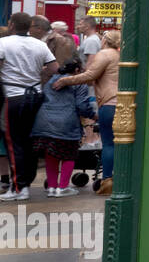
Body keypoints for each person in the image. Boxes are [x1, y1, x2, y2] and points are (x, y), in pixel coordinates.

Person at [0, 13, 58, 202]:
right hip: (35, 96)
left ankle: (18, 188)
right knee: (29, 142)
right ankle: (26, 183)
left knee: (13, 142)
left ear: (12, 25)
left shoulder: (4, 43)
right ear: (29, 26)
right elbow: (54, 68)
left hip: (13, 97)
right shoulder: (40, 45)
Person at [54, 29, 120, 195]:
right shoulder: (120, 55)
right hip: (122, 103)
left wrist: (65, 80)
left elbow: (90, 75)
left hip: (109, 103)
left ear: (106, 40)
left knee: (109, 144)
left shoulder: (105, 54)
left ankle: (107, 181)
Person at [31, 35, 96, 198]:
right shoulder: (77, 82)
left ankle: (52, 188)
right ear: (76, 71)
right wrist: (93, 115)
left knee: (51, 155)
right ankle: (63, 187)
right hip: (65, 124)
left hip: (43, 123)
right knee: (68, 154)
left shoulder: (52, 79)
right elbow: (82, 105)